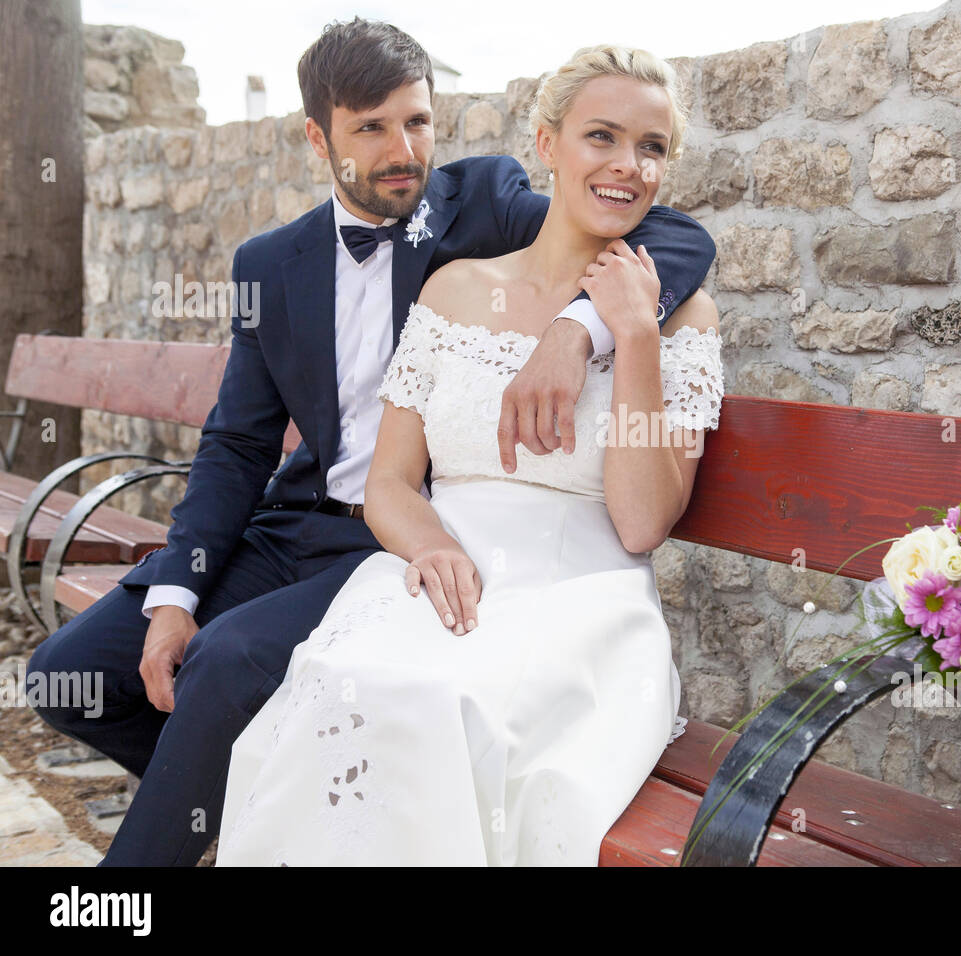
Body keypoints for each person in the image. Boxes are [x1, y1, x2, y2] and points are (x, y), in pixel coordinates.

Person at [24, 19, 715, 867]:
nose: (403, 149)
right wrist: (177, 594)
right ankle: (243, 808)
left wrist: (579, 330)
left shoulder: (484, 204)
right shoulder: (270, 265)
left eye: (418, 122)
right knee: (76, 677)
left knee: (227, 663)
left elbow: (671, 231)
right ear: (318, 135)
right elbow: (237, 444)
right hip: (299, 528)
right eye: (371, 127)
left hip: (412, 541)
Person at [214, 43, 724, 866]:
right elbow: (388, 484)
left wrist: (630, 336)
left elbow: (640, 523)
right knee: (336, 690)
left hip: (580, 600)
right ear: (547, 144)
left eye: (653, 147)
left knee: (440, 702)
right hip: (439, 575)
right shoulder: (454, 290)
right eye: (602, 137)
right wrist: (430, 544)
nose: (629, 167)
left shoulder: (678, 313)